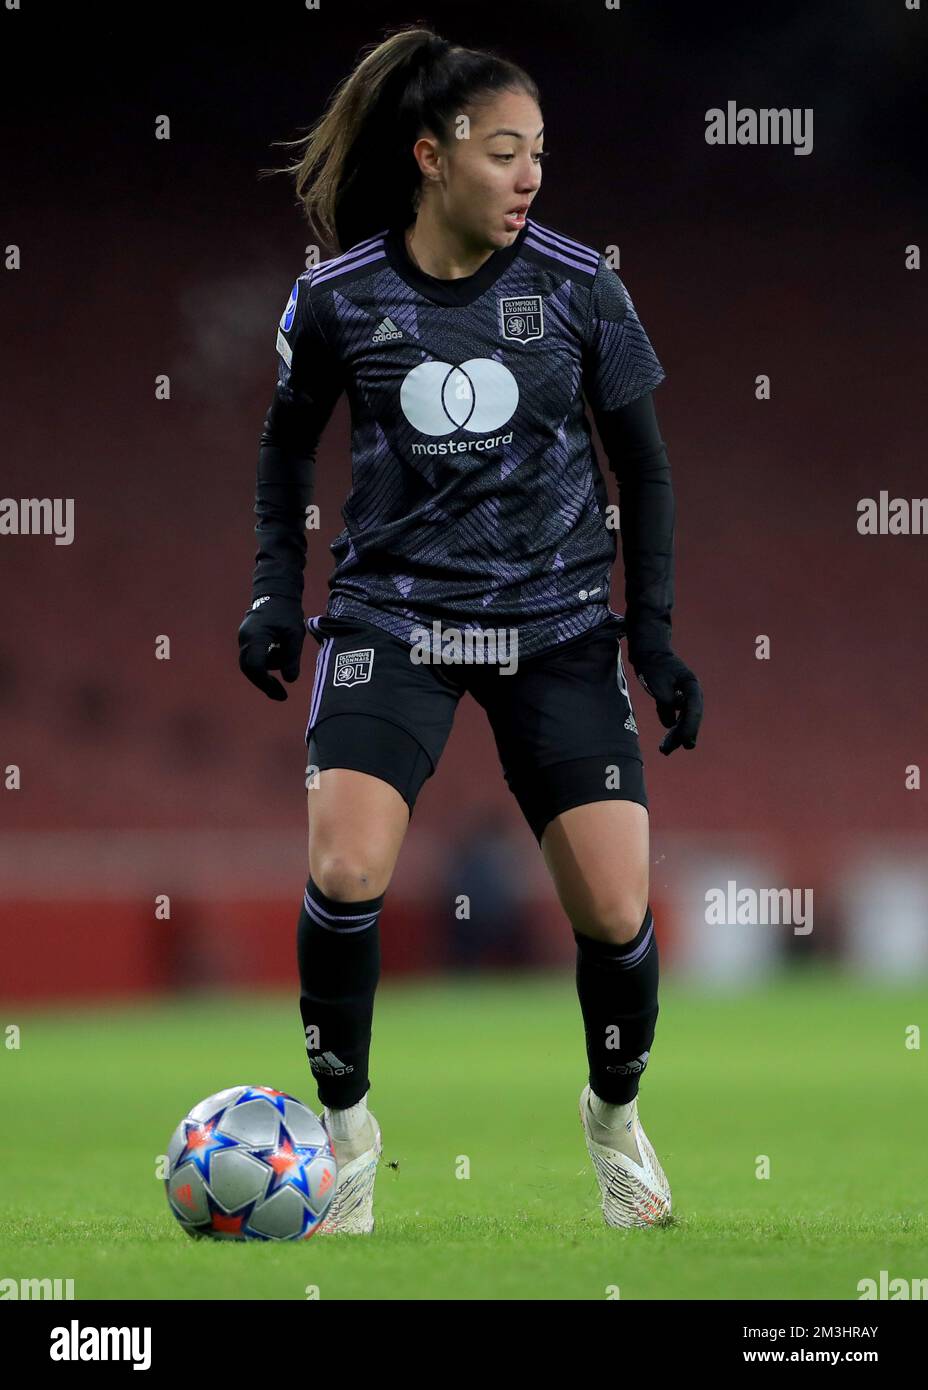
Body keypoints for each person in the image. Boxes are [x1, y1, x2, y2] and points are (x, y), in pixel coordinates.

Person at [238, 26, 703, 1234]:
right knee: (346, 869)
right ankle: (345, 1138)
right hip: (393, 615)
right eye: (505, 152)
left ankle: (612, 1117)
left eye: (539, 153)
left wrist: (647, 636)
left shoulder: (578, 285)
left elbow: (643, 470)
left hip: (553, 624)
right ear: (432, 156)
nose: (530, 175)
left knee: (612, 911)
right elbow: (284, 442)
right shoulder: (340, 297)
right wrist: (268, 591)